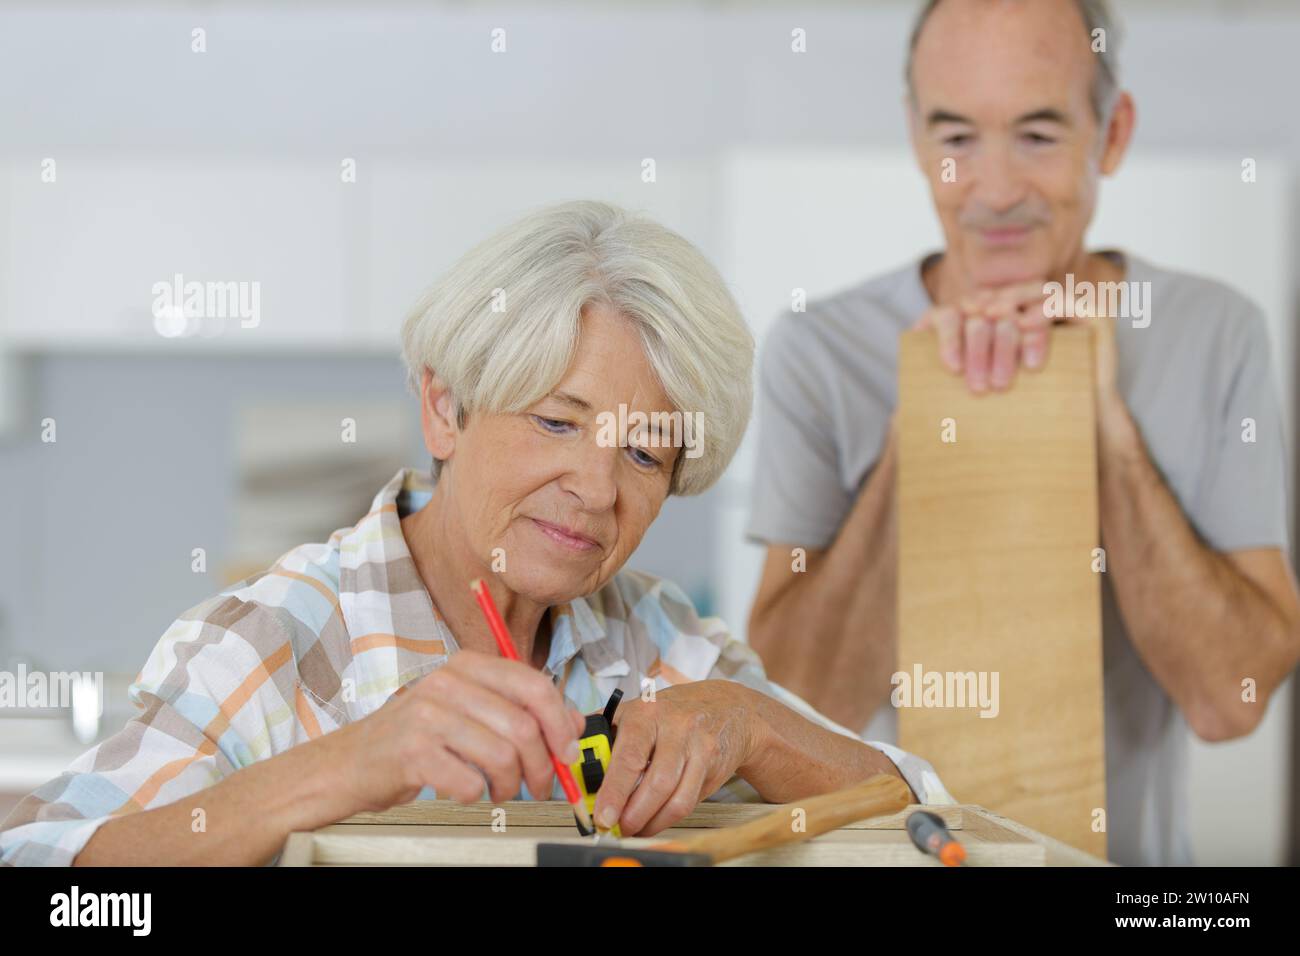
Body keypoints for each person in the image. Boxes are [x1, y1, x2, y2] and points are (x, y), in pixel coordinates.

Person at [1, 200, 948, 866]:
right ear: (446, 410)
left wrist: (754, 726)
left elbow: (926, 816)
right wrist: (349, 764)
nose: (594, 487)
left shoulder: (658, 641)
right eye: (556, 421)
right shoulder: (274, 639)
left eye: (646, 454)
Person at [746, 0, 1300, 866]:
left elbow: (1231, 701)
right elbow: (800, 702)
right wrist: (921, 432)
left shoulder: (1215, 332)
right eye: (957, 137)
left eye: (1038, 136)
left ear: (1111, 134)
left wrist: (1108, 431)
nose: (996, 190)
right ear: (917, 139)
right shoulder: (820, 351)